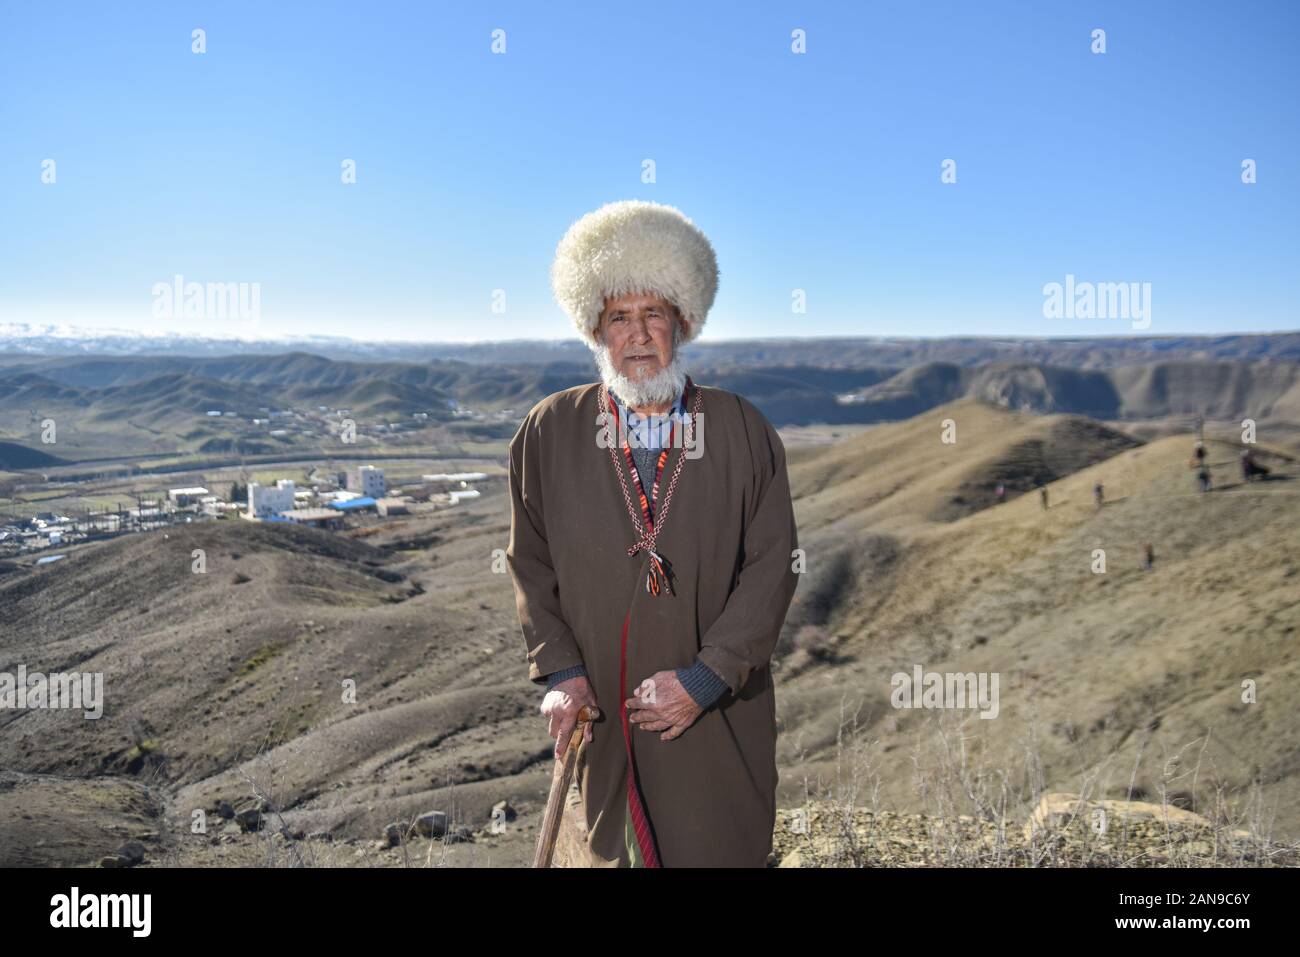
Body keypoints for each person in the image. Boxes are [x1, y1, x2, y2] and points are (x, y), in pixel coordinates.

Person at [507, 199, 800, 867]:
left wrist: (705, 680)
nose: (638, 336)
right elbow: (530, 563)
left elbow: (774, 565)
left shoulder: (740, 429)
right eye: (619, 318)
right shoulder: (548, 431)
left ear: (683, 324)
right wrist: (562, 671)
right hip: (602, 716)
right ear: (596, 330)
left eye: (654, 316)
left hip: (716, 717)